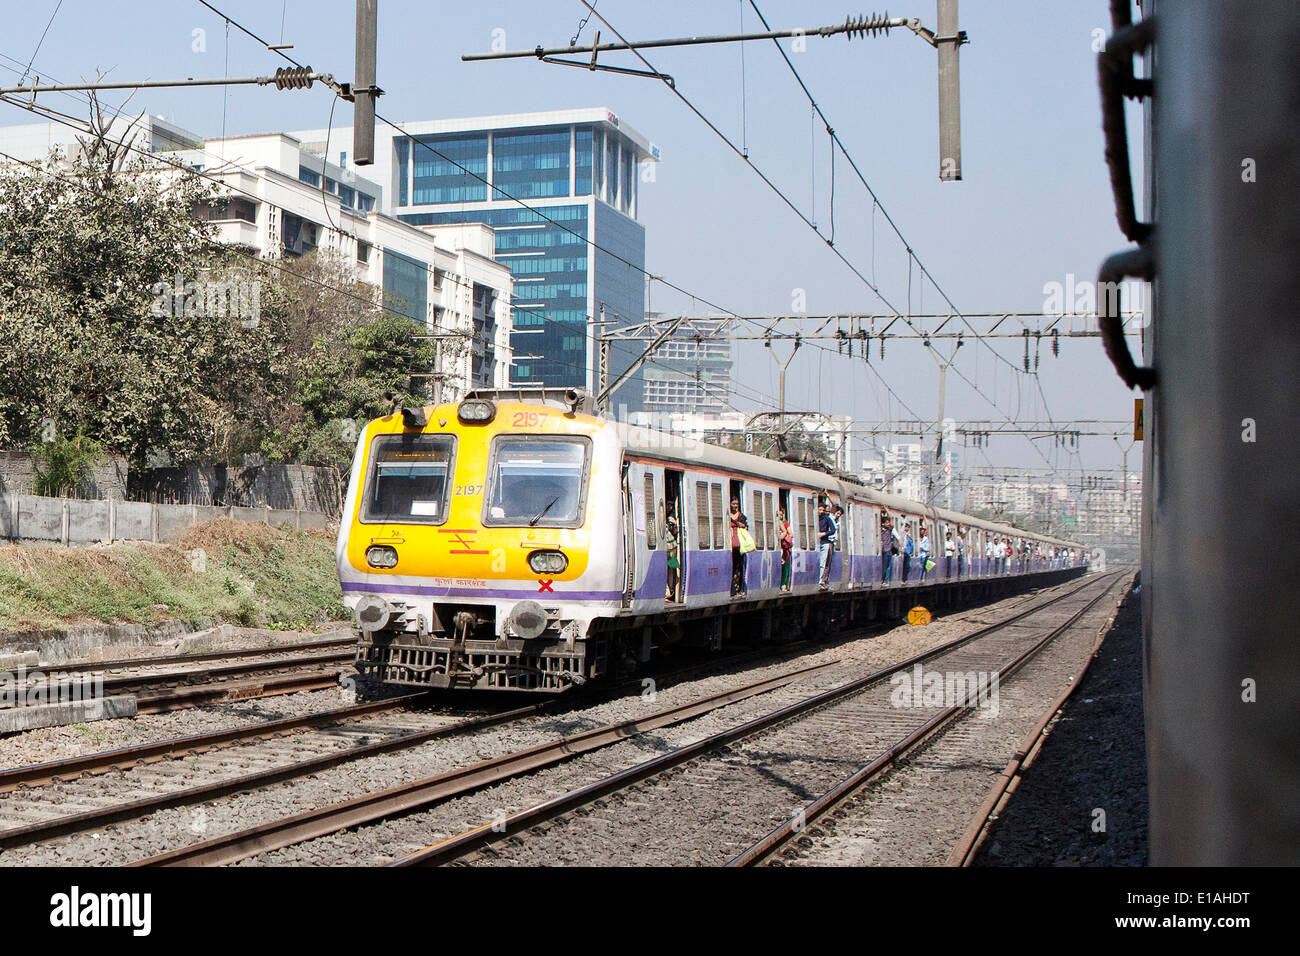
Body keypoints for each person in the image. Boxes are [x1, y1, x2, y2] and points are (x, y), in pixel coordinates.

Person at [728, 498, 748, 597]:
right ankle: (731, 589)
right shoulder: (727, 515)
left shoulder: (741, 516)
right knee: (730, 568)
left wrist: (741, 525)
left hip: (739, 546)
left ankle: (737, 589)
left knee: (737, 567)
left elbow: (746, 527)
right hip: (729, 545)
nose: (735, 506)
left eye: (737, 504)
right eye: (733, 504)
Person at [817, 502, 836, 589]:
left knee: (823, 562)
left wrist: (824, 533)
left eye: (823, 510)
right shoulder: (814, 518)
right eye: (820, 510)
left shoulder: (827, 518)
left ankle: (820, 581)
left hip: (824, 542)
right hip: (816, 541)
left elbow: (833, 530)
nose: (821, 512)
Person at [664, 516, 680, 602]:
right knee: (669, 570)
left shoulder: (670, 519)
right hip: (669, 549)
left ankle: (669, 591)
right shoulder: (669, 519)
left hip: (670, 549)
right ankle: (668, 592)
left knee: (672, 570)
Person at [777, 507, 793, 591]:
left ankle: (783, 584)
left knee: (785, 567)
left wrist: (782, 538)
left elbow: (791, 534)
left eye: (781, 514)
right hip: (778, 547)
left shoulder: (785, 523)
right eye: (778, 514)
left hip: (784, 548)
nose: (779, 516)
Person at [880, 513, 896, 584]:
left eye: (888, 522)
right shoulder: (881, 531)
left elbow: (891, 520)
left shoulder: (889, 529)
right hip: (884, 550)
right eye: (887, 522)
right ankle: (883, 580)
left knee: (888, 567)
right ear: (883, 523)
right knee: (884, 566)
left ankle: (886, 580)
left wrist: (887, 511)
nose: (888, 524)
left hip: (889, 550)